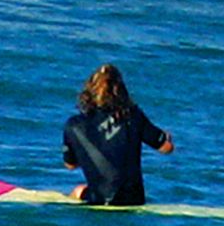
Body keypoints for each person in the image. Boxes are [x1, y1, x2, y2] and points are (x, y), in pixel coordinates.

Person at [61, 63, 174, 206]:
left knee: (78, 191)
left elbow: (70, 165)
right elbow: (166, 148)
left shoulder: (74, 125)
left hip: (99, 200)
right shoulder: (132, 115)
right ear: (121, 90)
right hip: (135, 199)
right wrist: (167, 137)